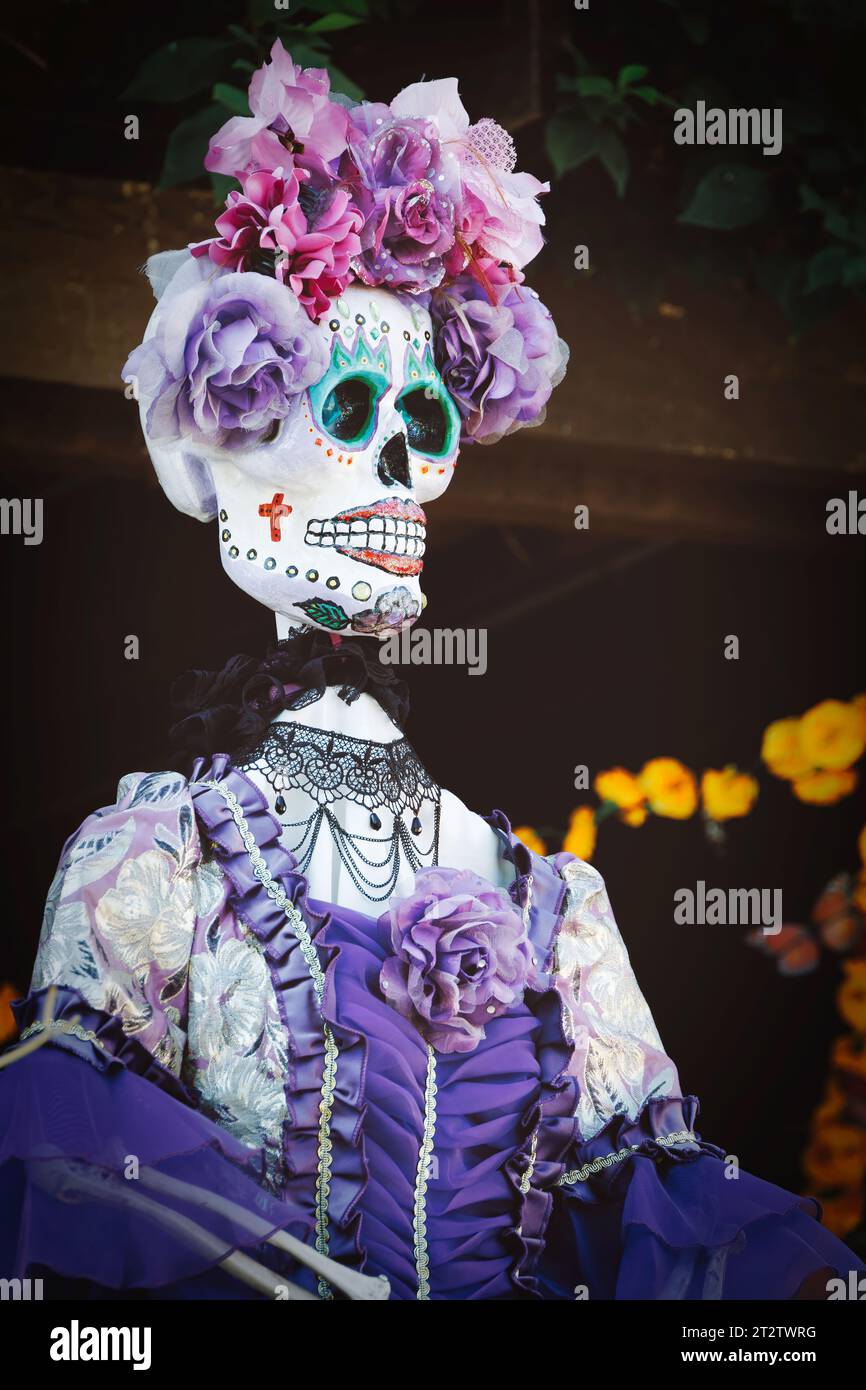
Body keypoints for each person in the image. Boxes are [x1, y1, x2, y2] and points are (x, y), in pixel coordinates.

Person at [1, 43, 861, 1301]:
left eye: (429, 428)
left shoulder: (555, 908)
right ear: (231, 445)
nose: (400, 469)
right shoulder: (151, 863)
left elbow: (679, 1237)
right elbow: (72, 1242)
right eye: (350, 413)